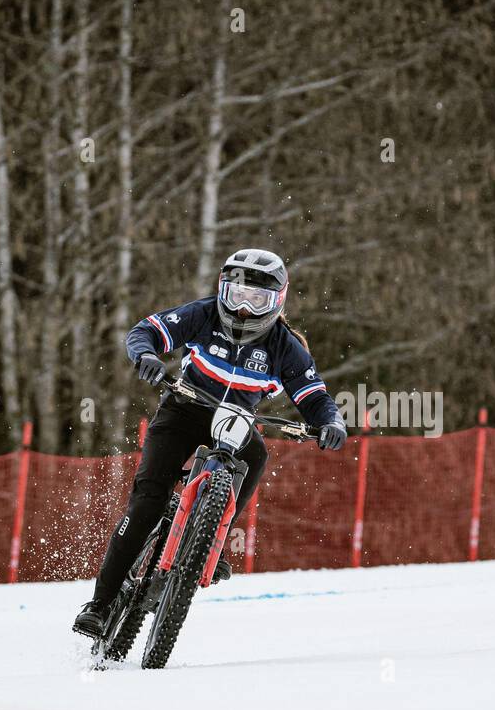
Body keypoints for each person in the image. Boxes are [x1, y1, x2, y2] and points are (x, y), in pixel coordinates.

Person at [73, 248, 345, 638]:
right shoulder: (202, 314)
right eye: (237, 295)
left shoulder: (287, 347)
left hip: (235, 422)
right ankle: (99, 605)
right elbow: (144, 331)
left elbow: (315, 398)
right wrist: (146, 355)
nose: (245, 309)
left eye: (258, 300)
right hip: (183, 411)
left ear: (278, 300)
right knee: (148, 503)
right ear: (223, 290)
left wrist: (330, 422)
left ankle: (211, 542)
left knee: (256, 456)